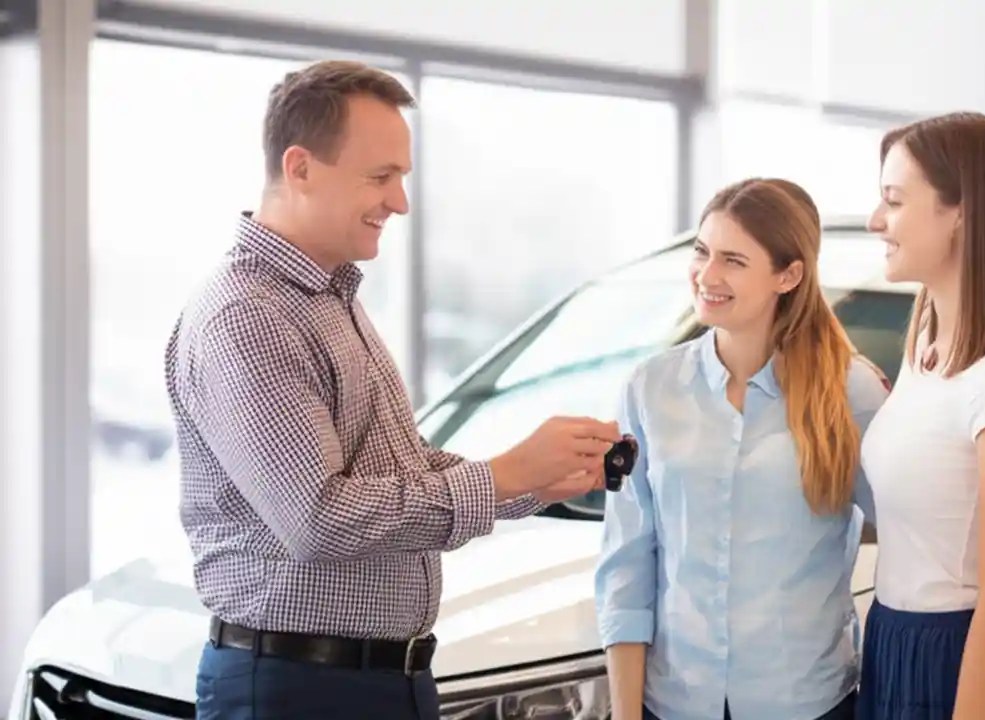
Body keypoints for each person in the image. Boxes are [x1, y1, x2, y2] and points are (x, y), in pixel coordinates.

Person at [163, 60, 620, 720]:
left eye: (401, 177)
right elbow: (320, 518)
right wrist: (504, 473)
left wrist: (534, 482)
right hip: (301, 689)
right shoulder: (249, 317)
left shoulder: (328, 297)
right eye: (381, 177)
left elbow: (396, 472)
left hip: (379, 680)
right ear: (300, 168)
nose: (399, 202)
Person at [594, 177, 890, 720]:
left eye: (733, 260)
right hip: (673, 704)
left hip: (809, 703)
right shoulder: (649, 387)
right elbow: (626, 565)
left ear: (789, 274)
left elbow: (909, 543)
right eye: (702, 251)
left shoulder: (853, 393)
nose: (707, 275)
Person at [856, 112, 985, 719]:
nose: (876, 221)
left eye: (894, 201)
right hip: (892, 643)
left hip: (960, 663)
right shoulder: (924, 335)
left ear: (963, 212)